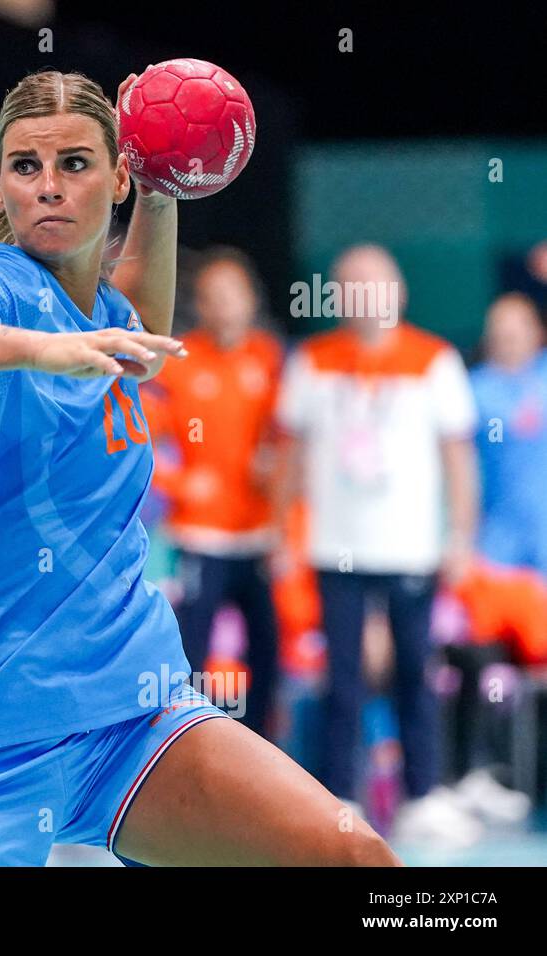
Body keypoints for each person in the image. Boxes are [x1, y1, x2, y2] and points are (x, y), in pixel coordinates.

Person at [0, 69, 397, 866]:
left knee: (354, 858)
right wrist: (43, 351)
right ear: (0, 182)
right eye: (25, 166)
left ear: (115, 178)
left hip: (130, 716)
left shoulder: (107, 314)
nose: (48, 186)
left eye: (75, 164)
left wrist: (164, 184)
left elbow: (137, 315)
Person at [275, 243, 481, 847]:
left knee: (417, 672)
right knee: (339, 678)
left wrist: (460, 537)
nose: (365, 297)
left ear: (398, 293)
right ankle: (338, 794)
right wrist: (278, 529)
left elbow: (459, 458)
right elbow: (291, 454)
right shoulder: (312, 361)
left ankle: (424, 794)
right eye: (351, 285)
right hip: (334, 546)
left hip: (413, 548)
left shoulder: (435, 360)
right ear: (336, 296)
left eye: (376, 284)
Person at [141, 248, 284, 740]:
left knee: (268, 649)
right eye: (212, 297)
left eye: (232, 295)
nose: (223, 306)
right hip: (200, 536)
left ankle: (263, 749)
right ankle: (189, 746)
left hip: (259, 535)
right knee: (191, 650)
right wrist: (182, 484)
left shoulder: (271, 360)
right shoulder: (177, 362)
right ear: (199, 303)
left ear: (250, 299)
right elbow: (140, 442)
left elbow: (294, 437)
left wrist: (277, 469)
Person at [470, 292, 547, 575]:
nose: (508, 341)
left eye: (515, 333)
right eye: (500, 334)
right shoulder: (474, 390)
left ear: (537, 332)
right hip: (497, 535)